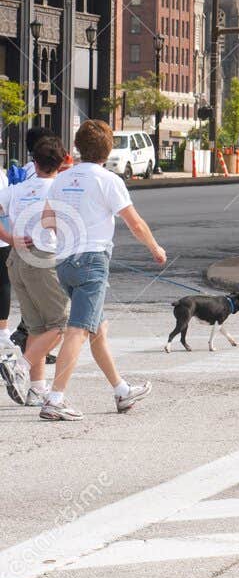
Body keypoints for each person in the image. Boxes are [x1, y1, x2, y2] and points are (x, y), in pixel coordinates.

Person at [30, 121, 164, 421]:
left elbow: (48, 221)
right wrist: (155, 248)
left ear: (77, 146)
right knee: (77, 330)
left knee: (98, 329)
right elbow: (135, 223)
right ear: (108, 149)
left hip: (64, 262)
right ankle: (55, 399)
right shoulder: (108, 180)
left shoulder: (61, 179)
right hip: (92, 261)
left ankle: (121, 390)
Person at [0, 137, 70, 408]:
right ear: (63, 162)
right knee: (61, 324)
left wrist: (10, 237)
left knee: (37, 326)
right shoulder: (59, 189)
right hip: (44, 259)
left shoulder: (18, 189)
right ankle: (18, 366)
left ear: (33, 162)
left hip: (17, 258)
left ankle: (37, 388)